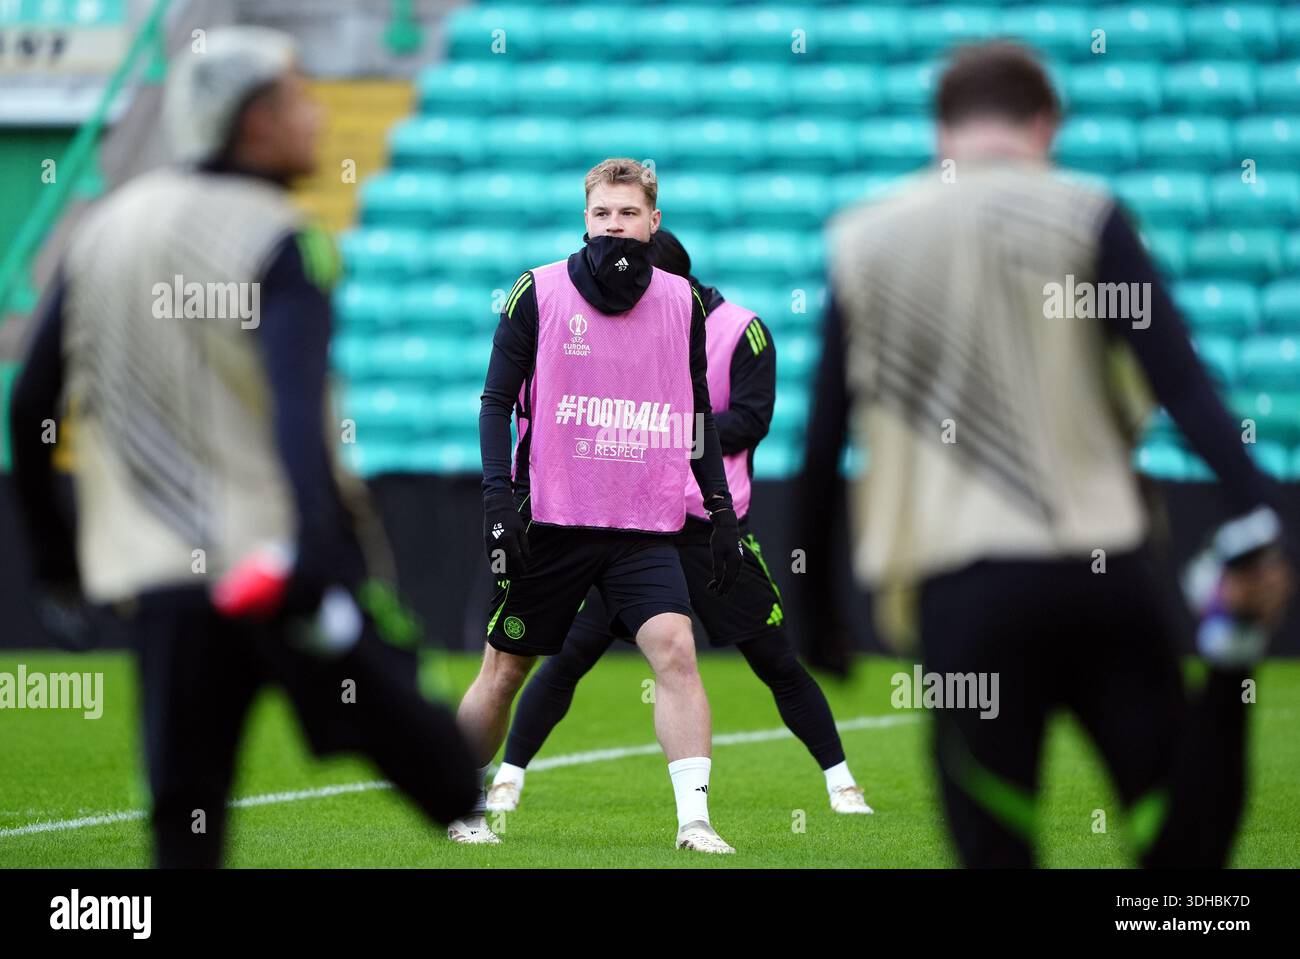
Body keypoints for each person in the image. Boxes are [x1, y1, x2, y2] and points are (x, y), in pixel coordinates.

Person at [798, 42, 1294, 867]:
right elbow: (1184, 385)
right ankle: (1229, 651)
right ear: (1045, 124)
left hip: (962, 591)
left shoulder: (864, 238)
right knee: (1180, 860)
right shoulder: (1086, 210)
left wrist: (820, 615)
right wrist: (1262, 508)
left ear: (941, 130)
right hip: (1105, 569)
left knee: (997, 848)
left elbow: (822, 442)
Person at [7, 26, 479, 867]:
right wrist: (323, 566)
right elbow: (299, 419)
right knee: (452, 783)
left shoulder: (102, 228)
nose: (316, 115)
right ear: (252, 122)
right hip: (275, 575)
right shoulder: (282, 235)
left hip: (164, 586)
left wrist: (57, 565)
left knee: (185, 828)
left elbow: (30, 405)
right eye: (297, 98)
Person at [488, 229, 872, 817]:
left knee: (774, 658)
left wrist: (664, 431)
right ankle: (507, 778)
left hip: (708, 525)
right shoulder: (618, 318)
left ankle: (841, 782)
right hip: (631, 520)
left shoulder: (740, 329)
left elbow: (750, 419)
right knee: (565, 661)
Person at [462, 160, 744, 853]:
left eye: (626, 213)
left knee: (676, 654)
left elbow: (699, 413)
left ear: (653, 221)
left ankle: (695, 821)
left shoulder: (684, 303)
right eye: (600, 214)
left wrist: (720, 507)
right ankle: (460, 802)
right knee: (504, 669)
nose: (613, 225)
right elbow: (496, 401)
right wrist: (500, 499)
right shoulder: (538, 290)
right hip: (552, 517)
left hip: (643, 523)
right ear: (584, 218)